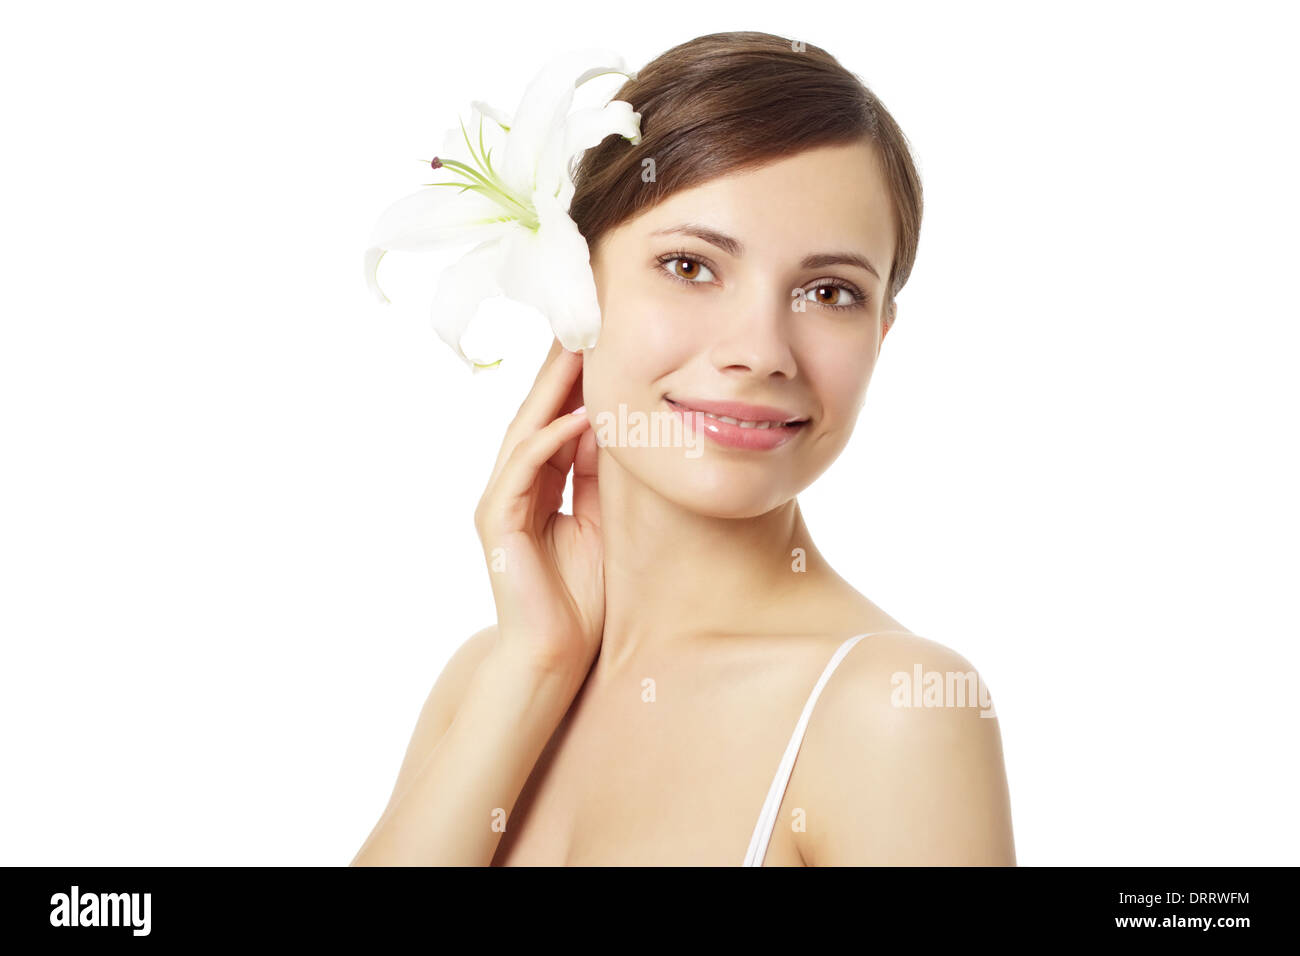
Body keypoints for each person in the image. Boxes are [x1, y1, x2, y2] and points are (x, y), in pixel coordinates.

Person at [352, 31, 1015, 866]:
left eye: (830, 291)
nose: (762, 349)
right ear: (571, 282)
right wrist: (534, 668)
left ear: (880, 333)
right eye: (691, 266)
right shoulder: (491, 675)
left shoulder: (894, 715)